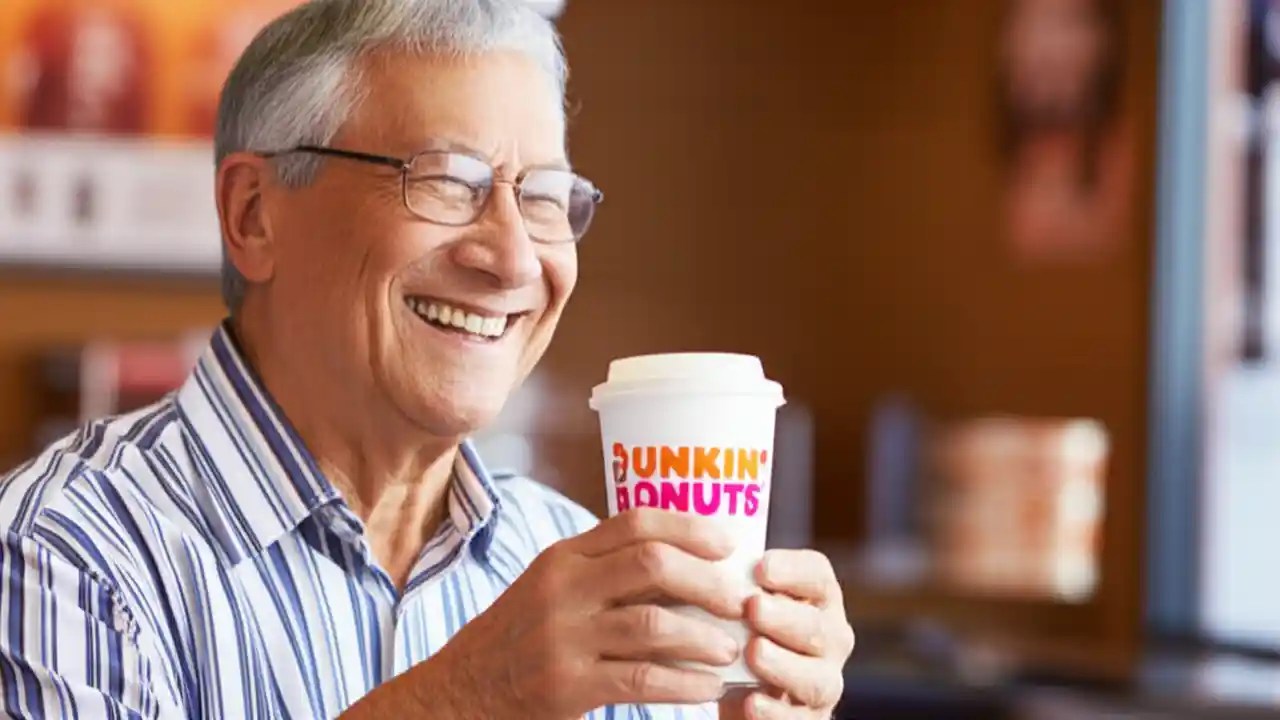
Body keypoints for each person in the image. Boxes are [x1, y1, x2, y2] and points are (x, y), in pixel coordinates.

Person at [0, 1, 855, 718]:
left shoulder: (574, 559)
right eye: (448, 182)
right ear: (255, 213)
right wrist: (465, 696)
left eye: (547, 198)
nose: (515, 260)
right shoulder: (62, 553)